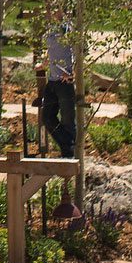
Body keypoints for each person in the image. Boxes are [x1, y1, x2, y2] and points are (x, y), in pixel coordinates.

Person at [40, 13, 81, 159]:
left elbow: (80, 51)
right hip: (52, 80)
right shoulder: (51, 28)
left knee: (68, 120)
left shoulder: (68, 28)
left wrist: (73, 74)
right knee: (47, 117)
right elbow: (51, 49)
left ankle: (69, 154)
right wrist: (45, 62)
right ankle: (68, 146)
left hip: (65, 82)